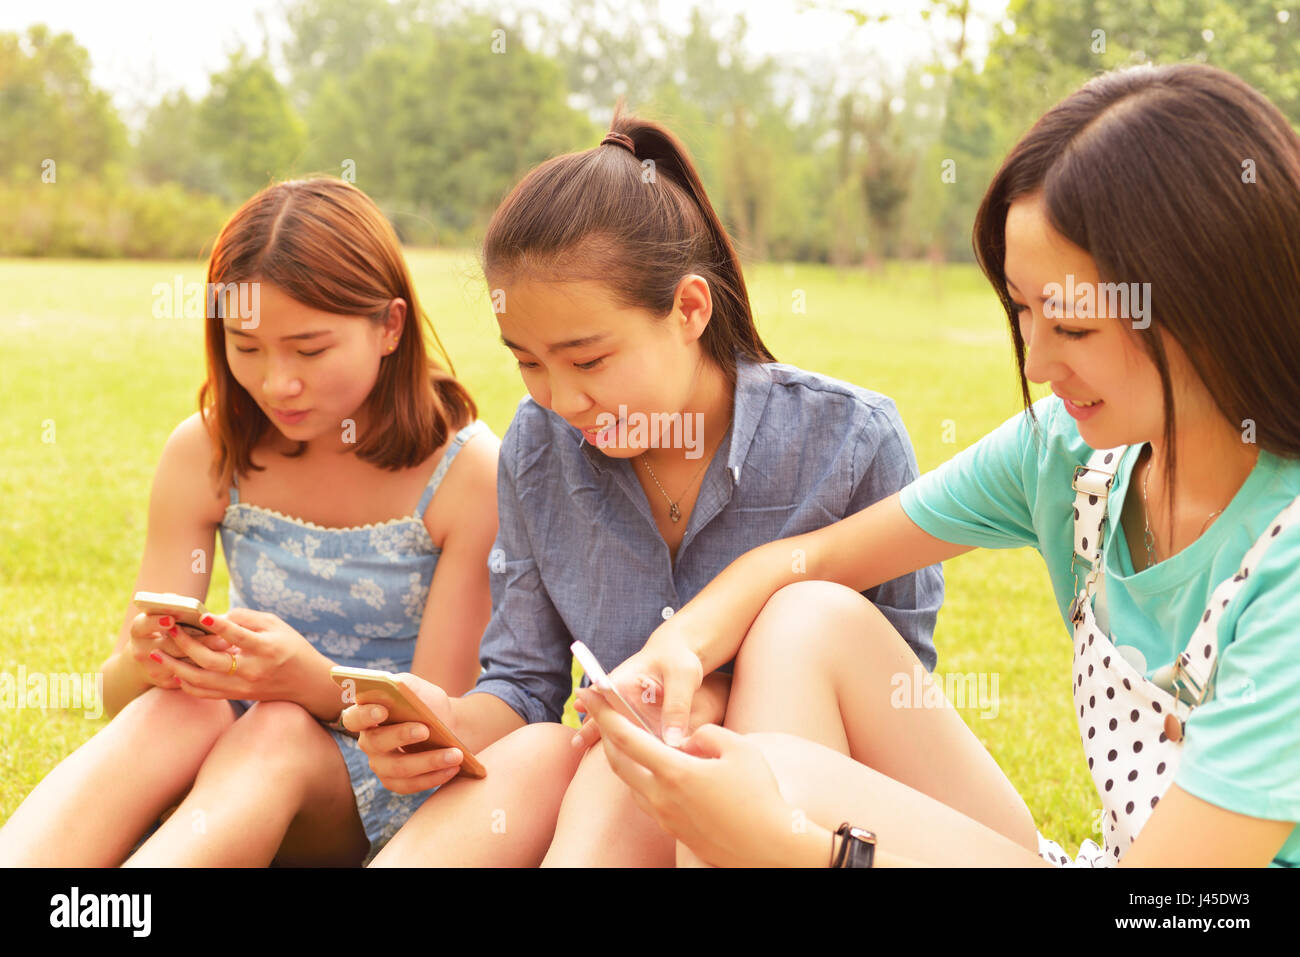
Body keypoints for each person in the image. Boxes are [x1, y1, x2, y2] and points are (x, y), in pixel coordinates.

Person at [578, 62, 1300, 868]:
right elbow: (807, 559)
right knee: (806, 619)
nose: (1034, 364)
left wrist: (804, 850)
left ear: (1207, 302)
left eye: (1073, 327)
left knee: (765, 812)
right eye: (1021, 312)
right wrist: (683, 645)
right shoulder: (1071, 453)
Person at [343, 109, 946, 867]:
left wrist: (720, 698)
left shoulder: (849, 443)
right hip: (617, 785)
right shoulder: (538, 445)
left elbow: (891, 710)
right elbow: (526, 686)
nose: (560, 398)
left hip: (790, 816)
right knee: (540, 753)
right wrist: (450, 724)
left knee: (630, 763)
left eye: (588, 360)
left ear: (690, 308)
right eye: (528, 361)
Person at [0, 177, 499, 866]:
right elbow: (118, 699)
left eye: (310, 348)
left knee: (279, 728)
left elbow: (436, 732)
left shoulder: (468, 474)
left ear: (389, 326)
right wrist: (149, 659)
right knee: (182, 706)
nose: (276, 382)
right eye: (247, 345)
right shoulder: (207, 451)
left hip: (372, 784)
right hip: (225, 757)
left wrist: (309, 680)